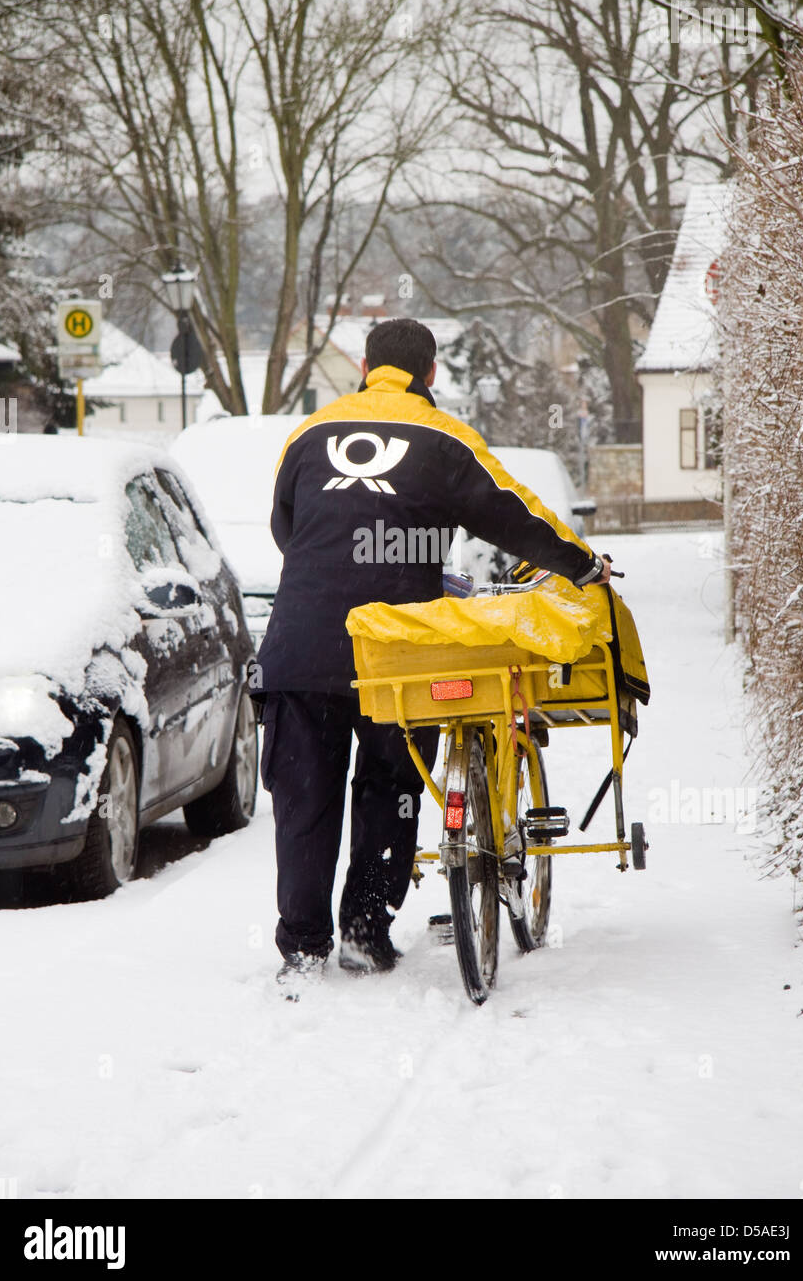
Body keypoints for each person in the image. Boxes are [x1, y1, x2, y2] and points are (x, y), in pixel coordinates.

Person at [250, 318, 609, 993]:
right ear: (431, 372)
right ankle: (364, 933)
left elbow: (285, 527)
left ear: (364, 365)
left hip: (299, 644)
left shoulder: (308, 432)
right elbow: (515, 513)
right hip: (394, 649)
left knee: (303, 795)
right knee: (390, 784)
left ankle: (301, 948)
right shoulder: (444, 439)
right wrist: (581, 564)